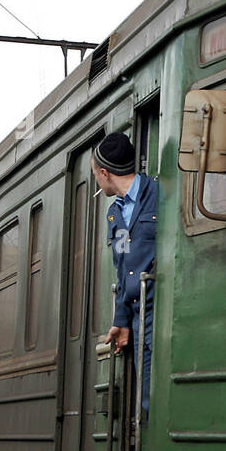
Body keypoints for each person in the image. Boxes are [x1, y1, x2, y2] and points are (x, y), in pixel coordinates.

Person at [91, 133, 156, 419]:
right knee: (146, 400)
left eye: (95, 174)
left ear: (104, 173)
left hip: (159, 312)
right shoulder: (114, 213)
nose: (97, 180)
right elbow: (122, 269)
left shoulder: (158, 195)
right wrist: (122, 322)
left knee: (156, 397)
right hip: (138, 318)